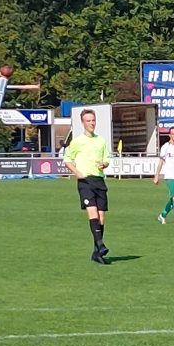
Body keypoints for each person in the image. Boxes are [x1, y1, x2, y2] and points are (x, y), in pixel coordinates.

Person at [62, 108, 113, 264]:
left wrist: (104, 164)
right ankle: (100, 245)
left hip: (99, 180)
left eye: (93, 120)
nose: (91, 123)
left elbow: (107, 158)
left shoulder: (101, 141)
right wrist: (77, 172)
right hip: (85, 182)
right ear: (83, 122)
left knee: (102, 217)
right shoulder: (77, 141)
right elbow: (67, 159)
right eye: (88, 120)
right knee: (93, 214)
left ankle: (97, 253)